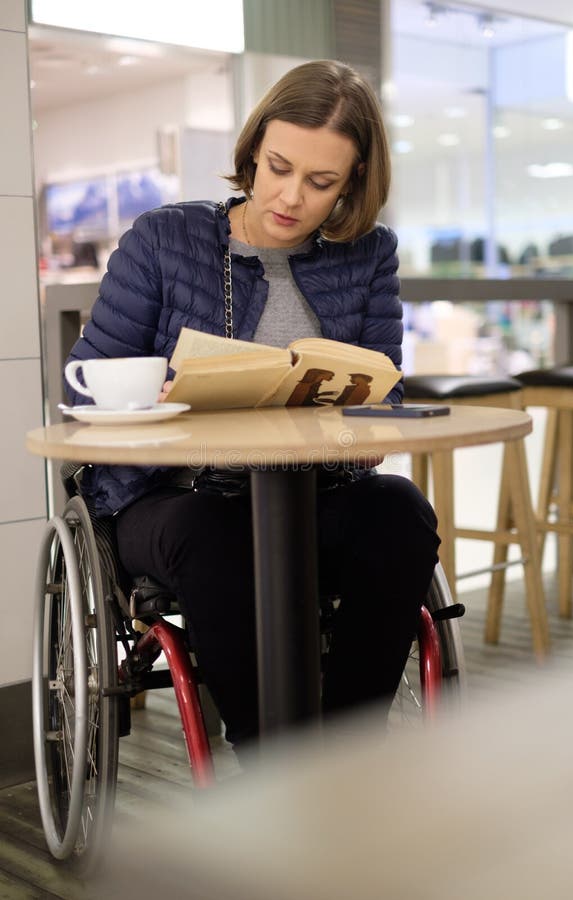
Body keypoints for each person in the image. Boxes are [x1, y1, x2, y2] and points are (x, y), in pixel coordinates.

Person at [65, 59, 440, 752]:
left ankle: (349, 752)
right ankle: (277, 766)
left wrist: (372, 421)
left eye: (321, 182)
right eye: (278, 166)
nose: (291, 196)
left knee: (401, 513)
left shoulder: (369, 253)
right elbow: (86, 384)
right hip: (171, 500)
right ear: (252, 149)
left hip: (312, 494)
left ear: (353, 182)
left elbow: (383, 387)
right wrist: (164, 403)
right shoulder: (164, 239)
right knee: (217, 532)